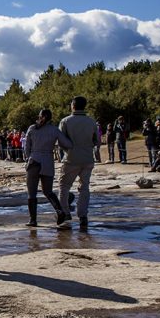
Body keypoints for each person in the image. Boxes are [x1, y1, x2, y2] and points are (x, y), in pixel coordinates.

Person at [24, 109, 72, 227]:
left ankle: (33, 220)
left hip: (34, 160)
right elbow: (68, 144)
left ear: (39, 116)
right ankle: (59, 211)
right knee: (48, 191)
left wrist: (29, 158)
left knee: (32, 193)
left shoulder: (32, 128)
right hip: (48, 161)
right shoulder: (54, 130)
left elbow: (26, 147)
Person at [57, 96, 100, 230]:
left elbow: (60, 141)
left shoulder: (65, 121)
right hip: (87, 158)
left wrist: (68, 150)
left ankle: (65, 213)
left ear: (73, 106)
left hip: (71, 158)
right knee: (84, 188)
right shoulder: (92, 122)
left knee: (64, 186)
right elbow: (97, 141)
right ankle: (83, 216)